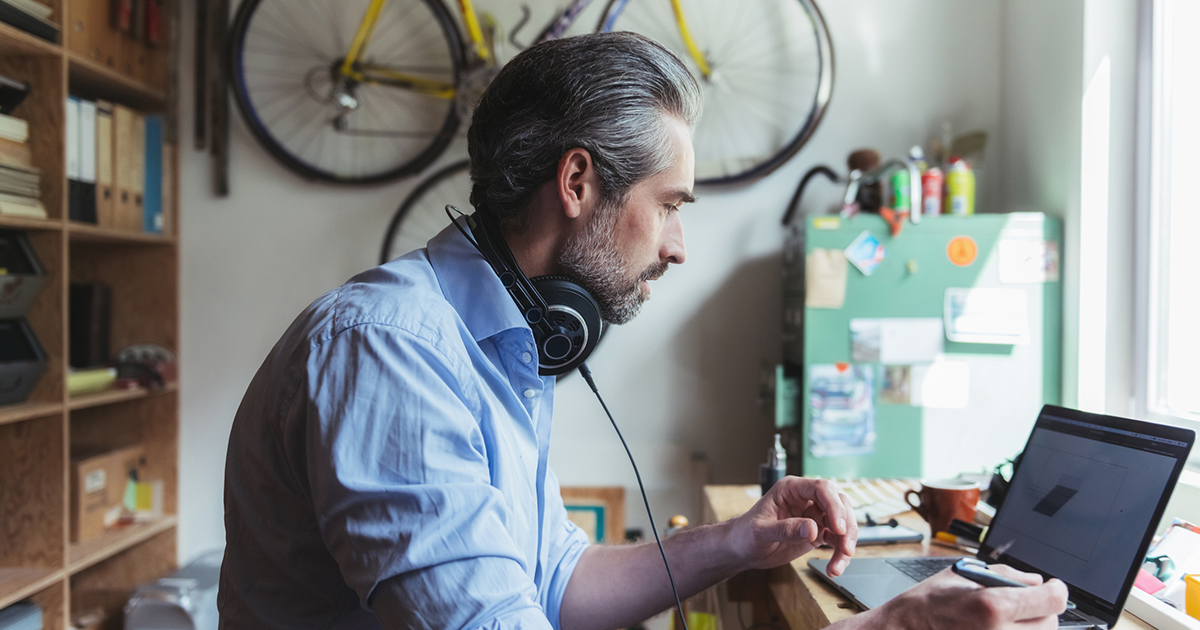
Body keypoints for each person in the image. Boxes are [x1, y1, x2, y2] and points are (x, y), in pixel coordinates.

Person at [218, 32, 1068, 630]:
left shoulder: (508, 345)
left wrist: (741, 540)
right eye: (669, 205)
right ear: (579, 181)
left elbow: (557, 583)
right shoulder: (391, 350)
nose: (678, 246)